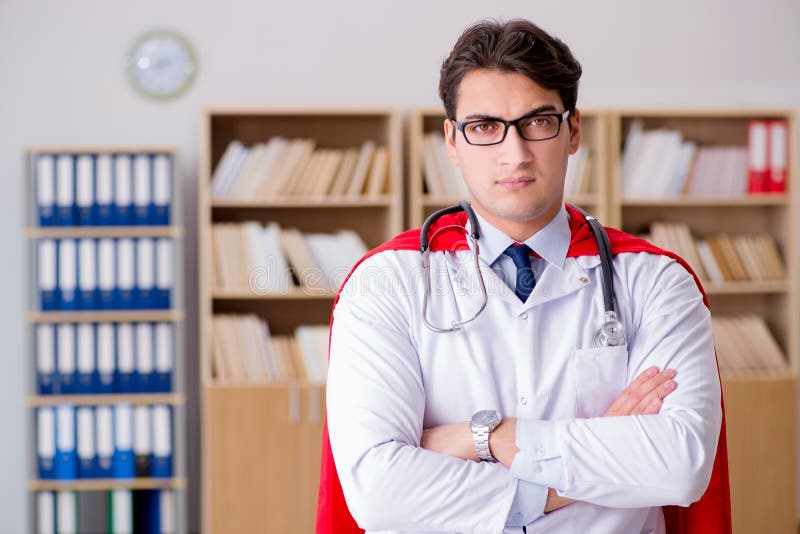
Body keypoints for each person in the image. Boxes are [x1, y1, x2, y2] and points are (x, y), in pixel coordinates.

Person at [317, 18, 730, 534]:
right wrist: (594, 458)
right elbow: (379, 495)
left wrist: (483, 438)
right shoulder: (384, 283)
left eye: (537, 122)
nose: (515, 153)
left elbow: (681, 464)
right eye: (485, 127)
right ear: (452, 140)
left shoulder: (657, 281)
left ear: (574, 130)